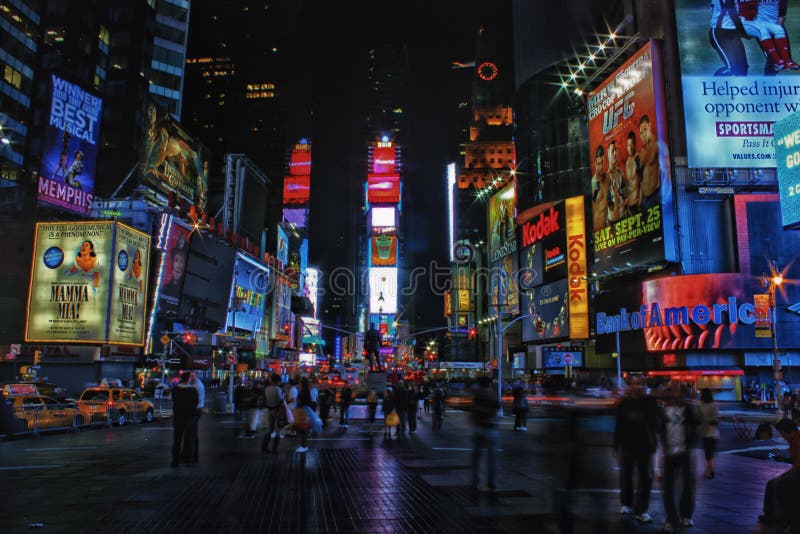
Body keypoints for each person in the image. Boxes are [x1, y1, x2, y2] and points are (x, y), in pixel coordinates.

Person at [613, 377, 659, 524]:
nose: (638, 387)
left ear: (645, 386)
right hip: (627, 445)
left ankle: (642, 510)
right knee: (626, 475)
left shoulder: (650, 402)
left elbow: (655, 424)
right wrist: (615, 445)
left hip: (645, 445)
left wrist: (655, 443)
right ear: (630, 386)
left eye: (641, 384)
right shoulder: (624, 403)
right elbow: (618, 425)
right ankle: (626, 503)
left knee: (646, 478)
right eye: (635, 384)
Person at [658, 383, 698, 533]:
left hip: (684, 452)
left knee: (687, 485)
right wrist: (663, 448)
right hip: (669, 452)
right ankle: (671, 518)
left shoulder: (688, 410)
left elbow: (695, 429)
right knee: (668, 487)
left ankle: (686, 515)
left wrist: (689, 446)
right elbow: (661, 430)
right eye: (672, 393)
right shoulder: (664, 411)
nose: (675, 396)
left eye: (679, 393)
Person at [759, 419, 800, 530]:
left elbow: (798, 466)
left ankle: (781, 517)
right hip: (796, 472)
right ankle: (770, 515)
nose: (782, 436)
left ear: (791, 432)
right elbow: (795, 461)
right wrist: (784, 459)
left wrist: (784, 475)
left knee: (778, 483)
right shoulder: (793, 440)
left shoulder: (798, 441)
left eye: (783, 434)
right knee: (771, 483)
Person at [470, 377, 500, 497]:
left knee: (477, 456)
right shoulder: (493, 395)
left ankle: (476, 480)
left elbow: (473, 410)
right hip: (491, 428)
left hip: (479, 427)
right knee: (492, 458)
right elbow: (497, 408)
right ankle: (492, 483)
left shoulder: (477, 395)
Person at [171, 372, 198, 467]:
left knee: (177, 439)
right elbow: (195, 403)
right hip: (189, 417)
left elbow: (173, 400)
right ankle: (188, 461)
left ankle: (175, 460)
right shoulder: (192, 390)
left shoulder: (175, 389)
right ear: (189, 379)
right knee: (189, 439)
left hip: (178, 417)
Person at [696, 388, 720, 479]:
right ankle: (709, 470)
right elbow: (716, 419)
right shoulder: (713, 404)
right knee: (710, 453)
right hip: (713, 432)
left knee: (707, 453)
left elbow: (698, 418)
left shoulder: (699, 404)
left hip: (705, 432)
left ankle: (709, 471)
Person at [638, 115, 660, 210]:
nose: (643, 134)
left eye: (645, 129)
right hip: (645, 200)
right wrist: (640, 203)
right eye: (641, 132)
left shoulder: (657, 145)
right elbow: (642, 180)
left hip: (656, 195)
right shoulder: (642, 153)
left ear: (650, 126)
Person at [261, 374, 284, 453]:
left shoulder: (267, 389)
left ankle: (264, 447)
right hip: (277, 410)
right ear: (278, 381)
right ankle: (274, 449)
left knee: (269, 429)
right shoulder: (277, 389)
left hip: (269, 410)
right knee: (277, 429)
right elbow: (281, 400)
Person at [606, 140, 627, 224]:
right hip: (613, 221)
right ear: (608, 154)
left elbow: (626, 193)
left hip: (624, 217)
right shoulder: (606, 178)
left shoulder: (620, 173)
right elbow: (608, 205)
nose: (615, 153)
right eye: (612, 151)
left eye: (616, 150)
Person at [591, 145, 610, 231]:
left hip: (607, 227)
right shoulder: (593, 183)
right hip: (597, 230)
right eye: (599, 164)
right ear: (595, 163)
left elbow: (611, 205)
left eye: (602, 162)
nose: (601, 167)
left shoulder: (608, 178)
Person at [190, 372, 205, 464]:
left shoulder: (197, 386)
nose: (190, 378)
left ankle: (193, 455)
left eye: (192, 376)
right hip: (197, 409)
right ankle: (193, 455)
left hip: (195, 410)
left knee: (193, 433)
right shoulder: (197, 384)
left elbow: (196, 400)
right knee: (193, 432)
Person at [295, 378, 312, 453]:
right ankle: (303, 445)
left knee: (303, 429)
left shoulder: (303, 392)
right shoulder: (305, 391)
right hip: (303, 411)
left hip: (303, 411)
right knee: (302, 429)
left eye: (299, 383)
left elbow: (303, 402)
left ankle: (304, 446)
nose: (298, 385)